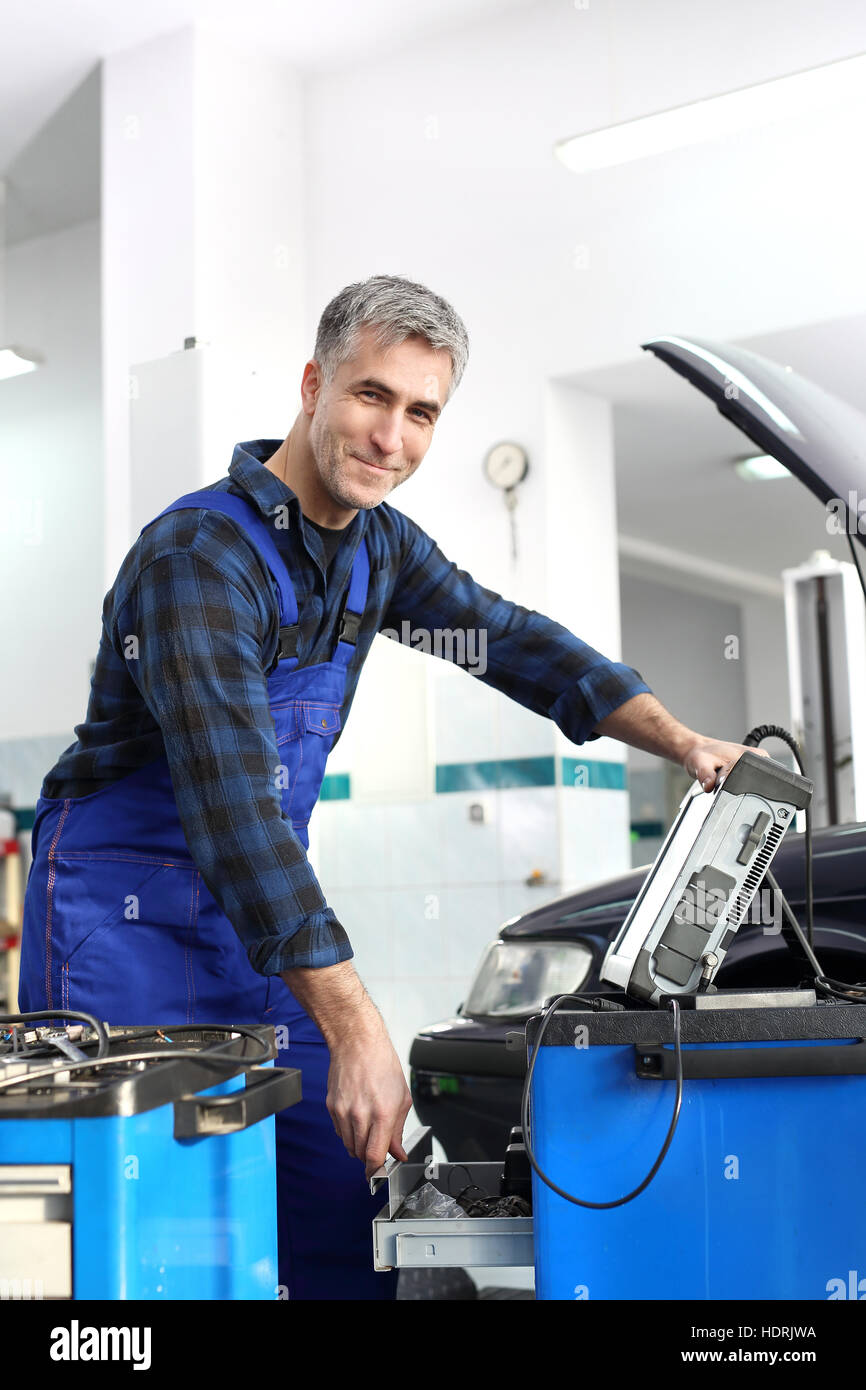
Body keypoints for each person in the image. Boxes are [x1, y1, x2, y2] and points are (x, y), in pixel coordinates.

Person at [19, 274, 761, 1300]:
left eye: (421, 412)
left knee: (339, 1200)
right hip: (122, 934)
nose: (390, 436)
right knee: (153, 1238)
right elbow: (236, 809)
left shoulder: (376, 554)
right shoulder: (198, 559)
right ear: (314, 383)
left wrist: (677, 740)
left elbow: (507, 641)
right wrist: (359, 1025)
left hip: (260, 933)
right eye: (371, 395)